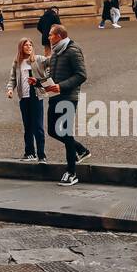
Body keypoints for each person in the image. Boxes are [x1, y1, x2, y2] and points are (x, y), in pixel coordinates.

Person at [40, 24, 91, 185]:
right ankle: (81, 149)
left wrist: (62, 86)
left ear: (59, 36)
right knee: (53, 131)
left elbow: (81, 75)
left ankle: (72, 172)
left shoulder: (73, 50)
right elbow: (52, 75)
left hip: (68, 97)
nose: (48, 37)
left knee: (66, 133)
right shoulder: (55, 52)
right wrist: (38, 83)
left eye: (50, 35)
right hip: (54, 96)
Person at [7, 38, 47, 162]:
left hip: (36, 96)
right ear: (21, 48)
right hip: (23, 97)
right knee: (27, 126)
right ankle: (30, 153)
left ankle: (41, 155)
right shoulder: (17, 62)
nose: (29, 47)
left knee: (38, 127)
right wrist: (10, 89)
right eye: (26, 45)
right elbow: (12, 78)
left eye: (30, 45)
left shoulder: (38, 59)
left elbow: (51, 62)